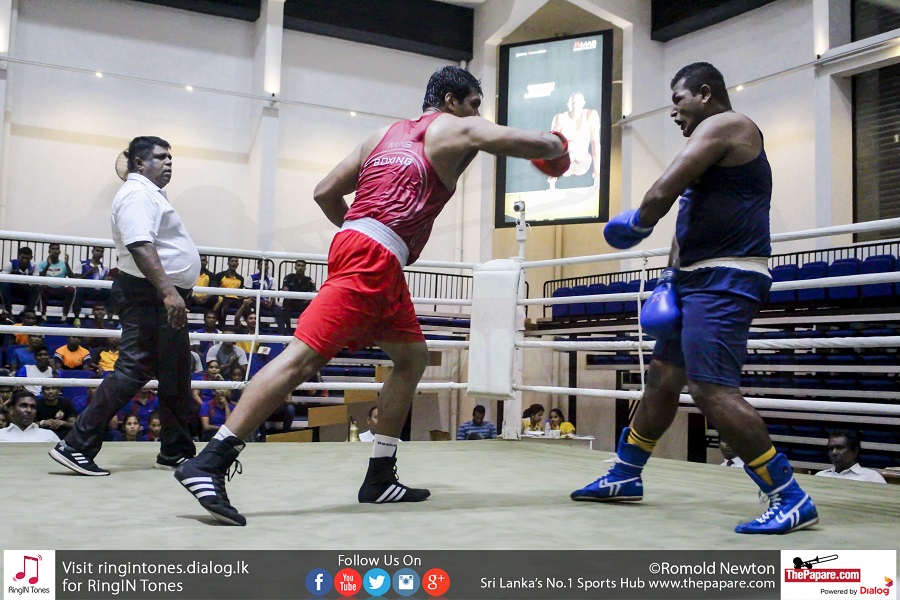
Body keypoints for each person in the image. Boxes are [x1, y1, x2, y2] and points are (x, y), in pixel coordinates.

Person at [175, 65, 569, 526]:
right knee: (302, 360)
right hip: (373, 258)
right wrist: (560, 147)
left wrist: (366, 230)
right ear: (450, 100)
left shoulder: (379, 137)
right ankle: (211, 462)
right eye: (474, 103)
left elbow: (325, 192)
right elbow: (533, 143)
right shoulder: (455, 127)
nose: (477, 114)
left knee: (412, 358)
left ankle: (380, 474)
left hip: (365, 250)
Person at [571, 62, 818, 535]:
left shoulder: (729, 125)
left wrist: (639, 221)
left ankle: (789, 496)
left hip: (726, 277)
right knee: (662, 382)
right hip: (692, 278)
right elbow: (688, 213)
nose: (673, 111)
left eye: (678, 99)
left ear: (705, 94)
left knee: (711, 389)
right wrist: (668, 275)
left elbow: (663, 191)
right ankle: (625, 475)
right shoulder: (710, 148)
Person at [49, 135, 199, 476]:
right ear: (139, 163)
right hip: (151, 294)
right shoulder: (136, 194)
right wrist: (168, 293)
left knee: (175, 373)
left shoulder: (151, 195)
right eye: (161, 157)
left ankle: (175, 449)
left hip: (159, 294)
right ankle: (75, 445)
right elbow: (139, 245)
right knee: (133, 369)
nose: (169, 162)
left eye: (170, 158)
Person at [549, 91, 601, 189]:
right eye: (573, 103)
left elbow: (595, 143)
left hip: (583, 162)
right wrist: (553, 172)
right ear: (568, 104)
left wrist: (597, 171)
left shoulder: (591, 115)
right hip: (566, 164)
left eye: (578, 102)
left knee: (584, 156)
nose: (575, 105)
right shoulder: (560, 118)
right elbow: (553, 146)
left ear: (583, 103)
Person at [815, 430, 886, 484]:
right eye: (831, 448)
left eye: (840, 448)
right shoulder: (820, 476)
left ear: (855, 451)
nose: (834, 452)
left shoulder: (872, 478)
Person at [72, 246, 111, 323]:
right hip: (87, 290)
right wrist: (89, 272)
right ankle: (77, 317)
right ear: (92, 251)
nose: (99, 252)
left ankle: (110, 317)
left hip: (99, 291)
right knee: (80, 289)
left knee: (111, 290)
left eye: (101, 251)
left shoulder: (105, 267)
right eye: (97, 250)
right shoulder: (82, 264)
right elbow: (76, 280)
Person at [38, 243, 76, 319]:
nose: (55, 251)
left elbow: (72, 277)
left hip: (60, 289)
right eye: (53, 249)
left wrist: (67, 264)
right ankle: (43, 313)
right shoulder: (42, 264)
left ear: (59, 252)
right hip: (48, 289)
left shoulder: (63, 264)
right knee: (41, 287)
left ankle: (65, 315)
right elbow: (40, 276)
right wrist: (48, 265)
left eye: (57, 249)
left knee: (72, 289)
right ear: (49, 251)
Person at [0, 246, 41, 314]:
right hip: (13, 288)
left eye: (27, 258)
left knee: (38, 287)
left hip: (26, 288)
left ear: (31, 258)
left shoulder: (34, 266)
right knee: (4, 284)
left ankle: (28, 311)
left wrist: (30, 284)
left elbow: (36, 281)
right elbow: (2, 279)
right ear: (19, 256)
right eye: (23, 258)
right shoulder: (10, 264)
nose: (24, 260)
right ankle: (8, 310)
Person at [280, 259, 317, 332]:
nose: (300, 267)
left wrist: (309, 299)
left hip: (303, 303)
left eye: (302, 266)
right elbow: (285, 290)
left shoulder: (308, 280)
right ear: (295, 267)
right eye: (298, 265)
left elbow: (314, 291)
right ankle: (288, 328)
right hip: (292, 302)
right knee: (286, 301)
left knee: (312, 304)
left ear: (305, 268)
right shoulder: (289, 278)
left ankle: (305, 330)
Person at [212, 257, 245, 328]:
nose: (234, 263)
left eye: (236, 261)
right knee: (224, 309)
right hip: (224, 298)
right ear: (228, 263)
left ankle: (243, 328)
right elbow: (215, 288)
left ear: (238, 264)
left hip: (236, 299)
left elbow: (241, 291)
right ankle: (221, 327)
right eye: (232, 261)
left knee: (246, 308)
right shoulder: (220, 275)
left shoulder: (240, 278)